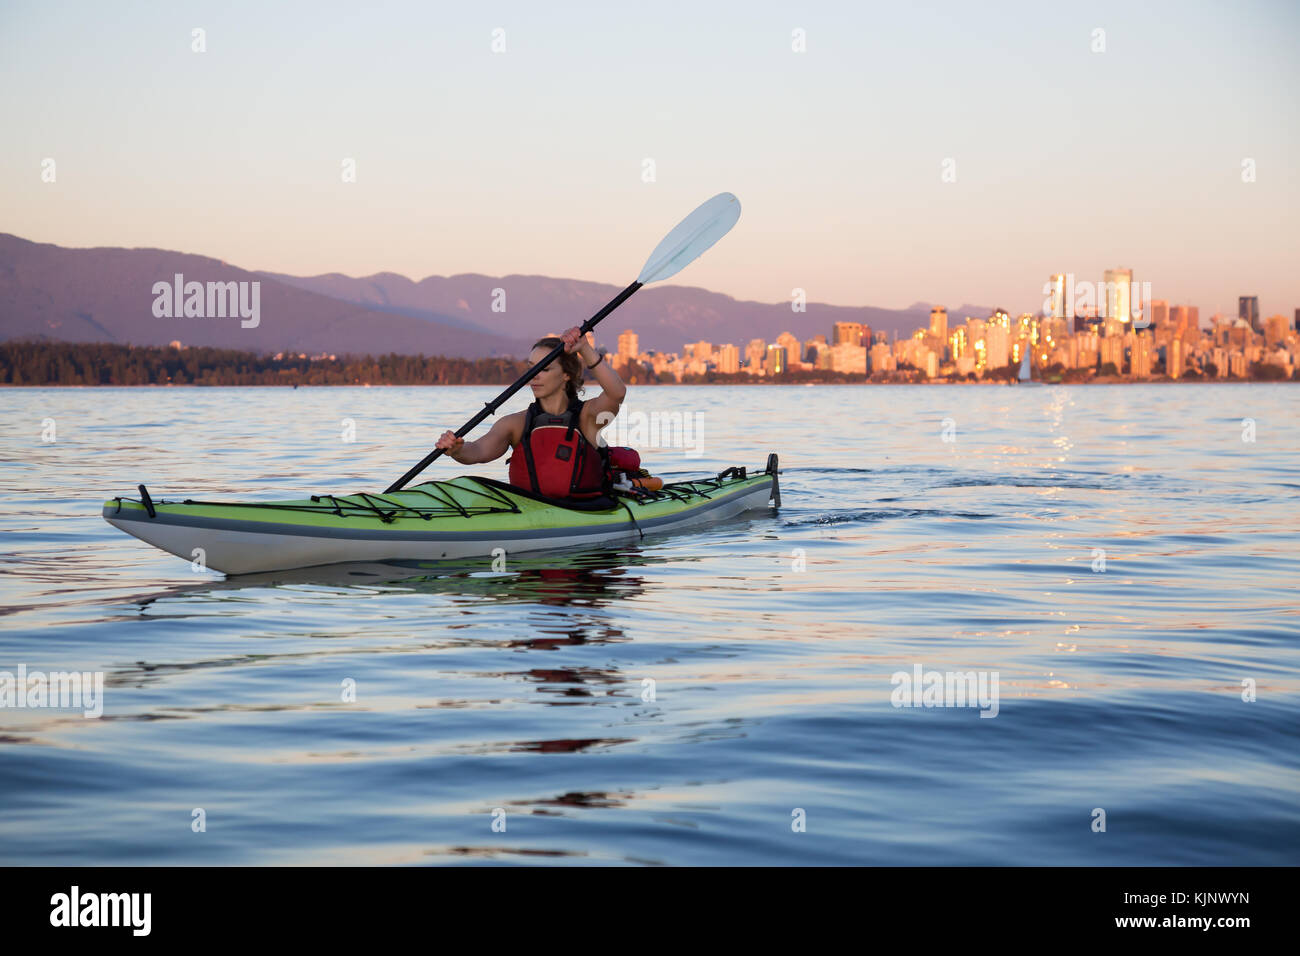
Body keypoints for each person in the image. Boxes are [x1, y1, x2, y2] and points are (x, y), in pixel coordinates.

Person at [434, 326, 626, 500]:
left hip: (586, 511)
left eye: (544, 368)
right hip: (529, 512)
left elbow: (616, 393)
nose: (534, 375)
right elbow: (478, 451)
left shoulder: (588, 417)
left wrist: (584, 348)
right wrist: (458, 450)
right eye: (531, 367)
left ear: (567, 374)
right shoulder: (515, 424)